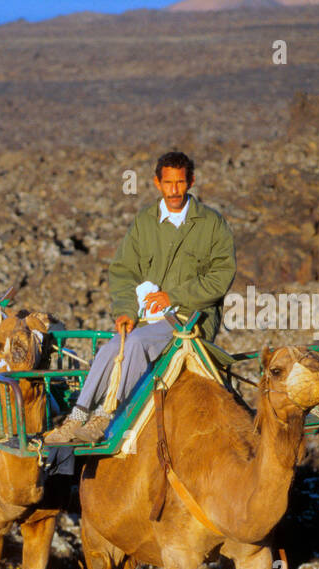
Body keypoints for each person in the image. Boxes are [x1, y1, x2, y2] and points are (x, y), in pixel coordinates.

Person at [43, 150, 235, 444]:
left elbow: (220, 277)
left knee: (135, 344)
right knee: (110, 349)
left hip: (188, 318)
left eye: (180, 182)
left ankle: (106, 416)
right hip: (147, 318)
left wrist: (174, 296)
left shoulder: (212, 223)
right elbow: (123, 271)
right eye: (168, 183)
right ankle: (77, 418)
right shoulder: (144, 221)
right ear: (157, 183)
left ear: (191, 182)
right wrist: (126, 310)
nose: (174, 190)